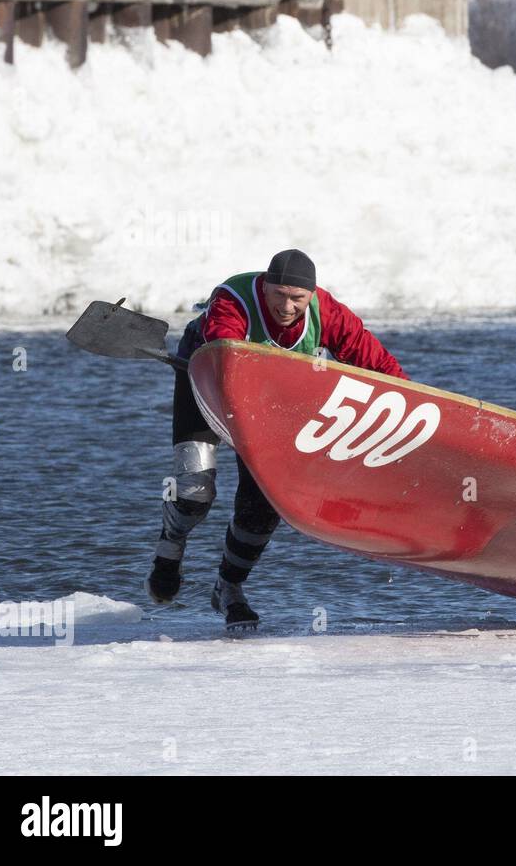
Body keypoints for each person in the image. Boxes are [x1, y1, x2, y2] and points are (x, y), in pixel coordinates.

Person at [146, 249, 409, 630]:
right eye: (278, 295)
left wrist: (407, 408)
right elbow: (227, 358)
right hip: (206, 381)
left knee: (264, 507)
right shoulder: (231, 300)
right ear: (264, 286)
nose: (286, 306)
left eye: (297, 299)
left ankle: (229, 589)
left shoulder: (328, 311)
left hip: (268, 396)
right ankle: (169, 550)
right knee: (194, 495)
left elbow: (378, 365)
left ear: (311, 295)